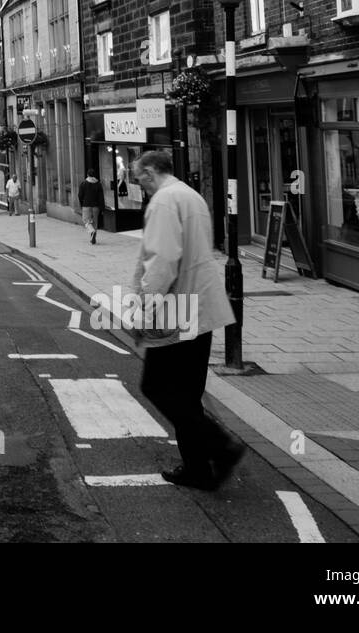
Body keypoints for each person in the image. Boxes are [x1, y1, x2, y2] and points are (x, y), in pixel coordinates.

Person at [129, 150, 243, 490]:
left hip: (177, 310)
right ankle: (199, 470)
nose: (140, 186)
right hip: (201, 307)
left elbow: (162, 261)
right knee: (187, 393)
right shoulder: (191, 196)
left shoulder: (164, 202)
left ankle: (221, 448)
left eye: (139, 179)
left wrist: (145, 310)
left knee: (157, 386)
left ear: (150, 172)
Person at [78, 169, 104, 244]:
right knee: (95, 222)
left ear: (87, 175)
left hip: (86, 205)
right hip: (96, 206)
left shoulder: (83, 183)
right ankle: (93, 238)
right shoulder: (98, 184)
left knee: (86, 221)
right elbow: (101, 197)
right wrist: (102, 208)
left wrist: (81, 203)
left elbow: (80, 195)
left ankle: (92, 231)